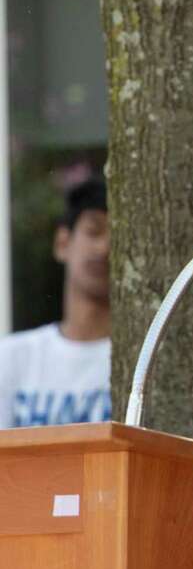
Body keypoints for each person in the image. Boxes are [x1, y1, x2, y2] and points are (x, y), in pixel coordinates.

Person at [0, 177, 110, 429]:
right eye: (93, 231)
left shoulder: (143, 363)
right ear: (63, 243)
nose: (104, 247)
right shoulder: (10, 359)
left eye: (119, 236)